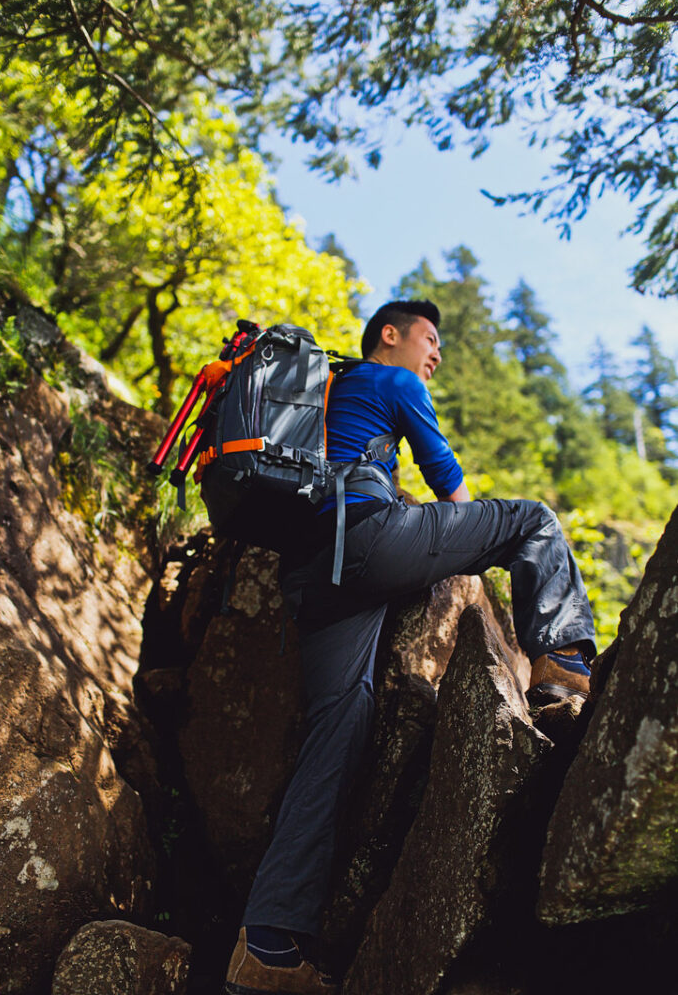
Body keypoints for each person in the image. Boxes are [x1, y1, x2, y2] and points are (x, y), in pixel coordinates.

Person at [224, 299, 596, 995]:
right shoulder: (390, 380)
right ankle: (564, 667)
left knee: (337, 731)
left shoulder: (324, 397)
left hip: (311, 573)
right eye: (429, 339)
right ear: (388, 335)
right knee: (532, 522)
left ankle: (267, 949)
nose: (434, 355)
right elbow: (449, 489)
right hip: (366, 541)